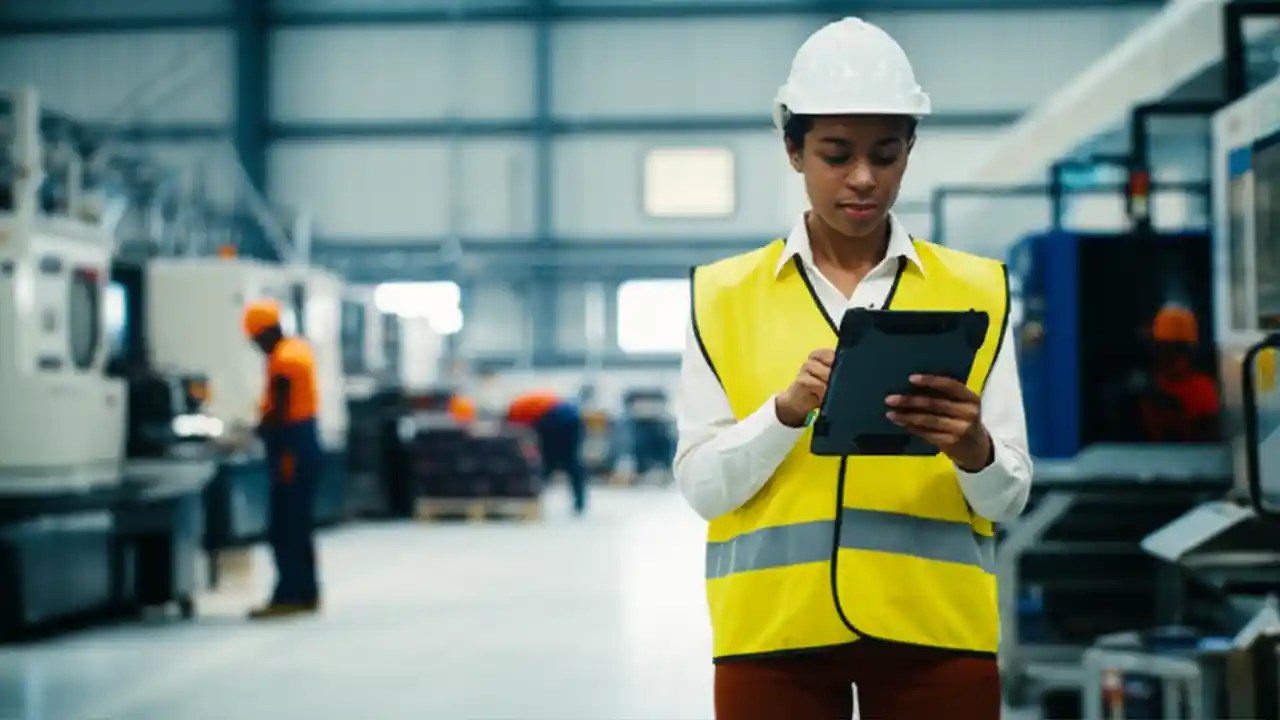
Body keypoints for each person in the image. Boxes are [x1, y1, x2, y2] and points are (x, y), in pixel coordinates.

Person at [675, 17, 1032, 719]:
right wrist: (783, 413)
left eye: (886, 154)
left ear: (910, 151)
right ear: (792, 150)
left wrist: (974, 450)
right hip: (772, 635)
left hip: (937, 632)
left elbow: (1009, 498)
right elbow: (703, 490)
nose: (864, 179)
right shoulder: (721, 296)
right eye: (837, 155)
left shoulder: (978, 291)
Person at [243, 299, 323, 619]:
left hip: (291, 450)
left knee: (285, 526)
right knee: (300, 525)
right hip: (306, 444)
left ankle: (288, 594)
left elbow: (279, 409)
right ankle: (306, 592)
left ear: (264, 333)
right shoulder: (298, 349)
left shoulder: (283, 360)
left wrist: (258, 430)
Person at [1138, 303, 1220, 442]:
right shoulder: (1151, 383)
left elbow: (1203, 438)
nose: (1155, 352)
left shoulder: (1202, 388)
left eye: (1164, 347)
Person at [506, 390, 588, 515]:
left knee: (551, 461)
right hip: (572, 417)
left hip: (554, 417)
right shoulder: (520, 406)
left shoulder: (514, 415)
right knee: (571, 461)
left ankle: (536, 497)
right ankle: (579, 502)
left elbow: (518, 436)